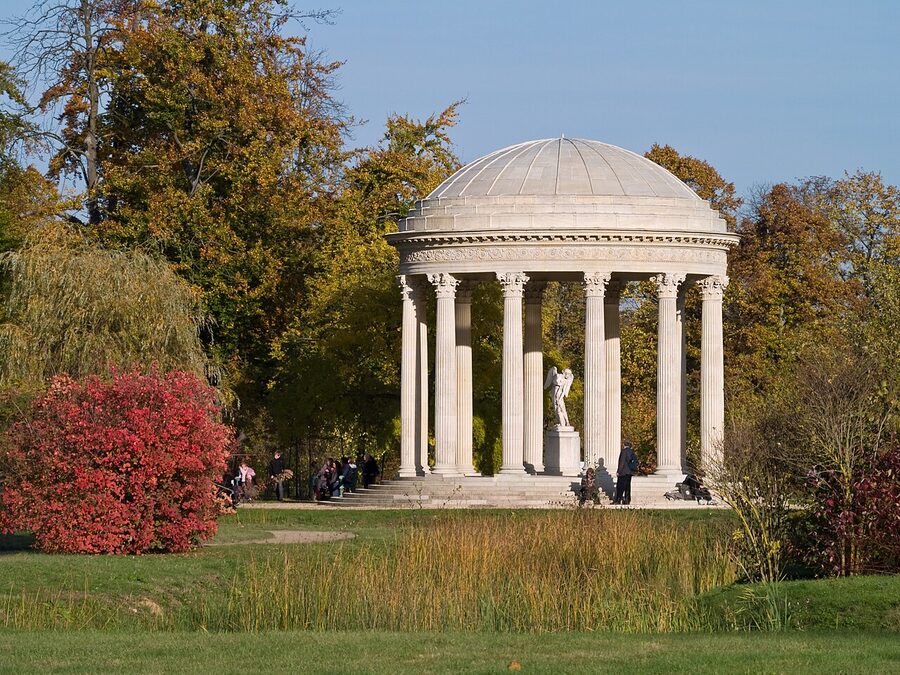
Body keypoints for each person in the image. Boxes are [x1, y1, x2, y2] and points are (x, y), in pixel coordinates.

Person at [613, 441, 639, 505]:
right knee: (627, 487)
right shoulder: (632, 452)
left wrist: (618, 471)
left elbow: (622, 462)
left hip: (623, 472)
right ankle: (627, 500)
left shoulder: (624, 451)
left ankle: (618, 500)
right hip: (630, 472)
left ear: (624, 445)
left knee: (620, 487)